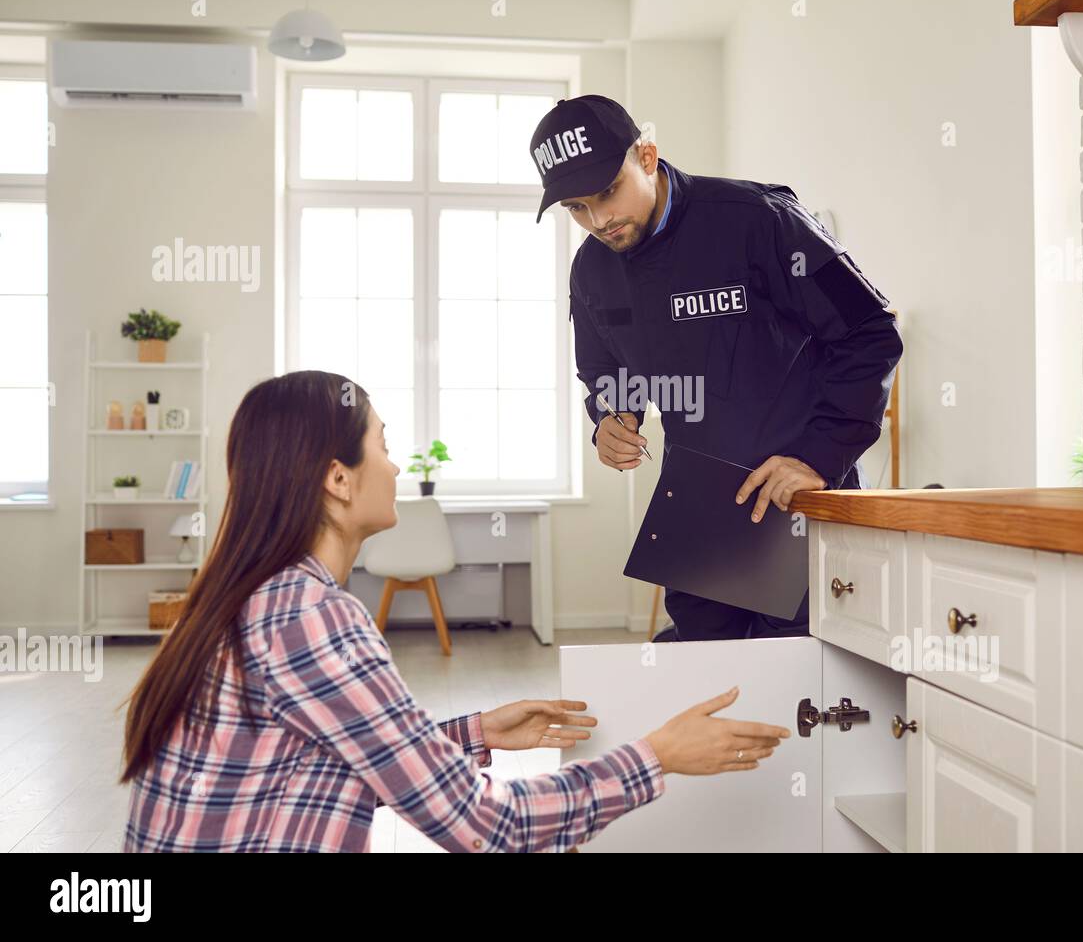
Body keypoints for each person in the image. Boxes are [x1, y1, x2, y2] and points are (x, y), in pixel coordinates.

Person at [119, 370, 790, 852]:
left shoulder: (258, 594)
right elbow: (489, 827)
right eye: (382, 444)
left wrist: (474, 733)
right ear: (338, 478)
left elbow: (323, 749)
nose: (395, 464)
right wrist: (656, 755)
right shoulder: (311, 614)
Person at [531, 95, 903, 642]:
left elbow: (870, 333)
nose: (599, 220)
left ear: (648, 156)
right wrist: (611, 420)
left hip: (799, 499)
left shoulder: (758, 220)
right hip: (698, 514)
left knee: (805, 697)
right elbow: (606, 375)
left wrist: (817, 457)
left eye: (608, 192)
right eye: (577, 209)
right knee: (706, 692)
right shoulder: (591, 270)